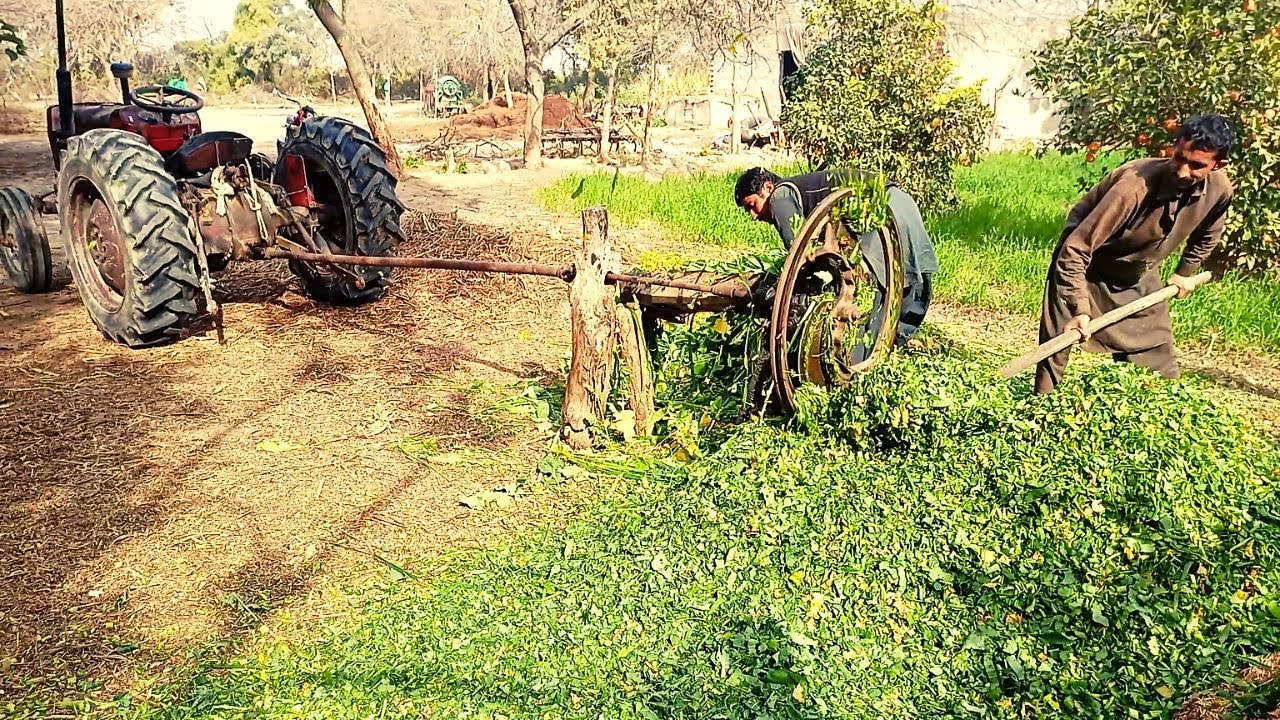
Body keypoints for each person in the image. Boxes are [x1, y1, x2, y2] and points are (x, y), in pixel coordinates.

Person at [1035, 114, 1235, 394]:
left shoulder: (1219, 190)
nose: (1182, 171)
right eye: (1179, 157)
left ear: (1218, 165)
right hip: (1084, 267)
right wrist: (1079, 308)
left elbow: (1209, 233)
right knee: (1057, 347)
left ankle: (1147, 412)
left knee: (1156, 354)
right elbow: (1076, 249)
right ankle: (1040, 413)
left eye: (1196, 166)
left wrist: (1183, 273)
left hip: (1138, 273)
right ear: (1174, 146)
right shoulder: (1134, 187)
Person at [733, 166, 938, 346]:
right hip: (897, 201)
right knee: (909, 275)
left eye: (752, 205)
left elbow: (799, 252)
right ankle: (892, 343)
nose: (754, 216)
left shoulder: (780, 195)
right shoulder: (796, 192)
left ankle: (880, 346)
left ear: (768, 187)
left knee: (883, 282)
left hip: (883, 206)